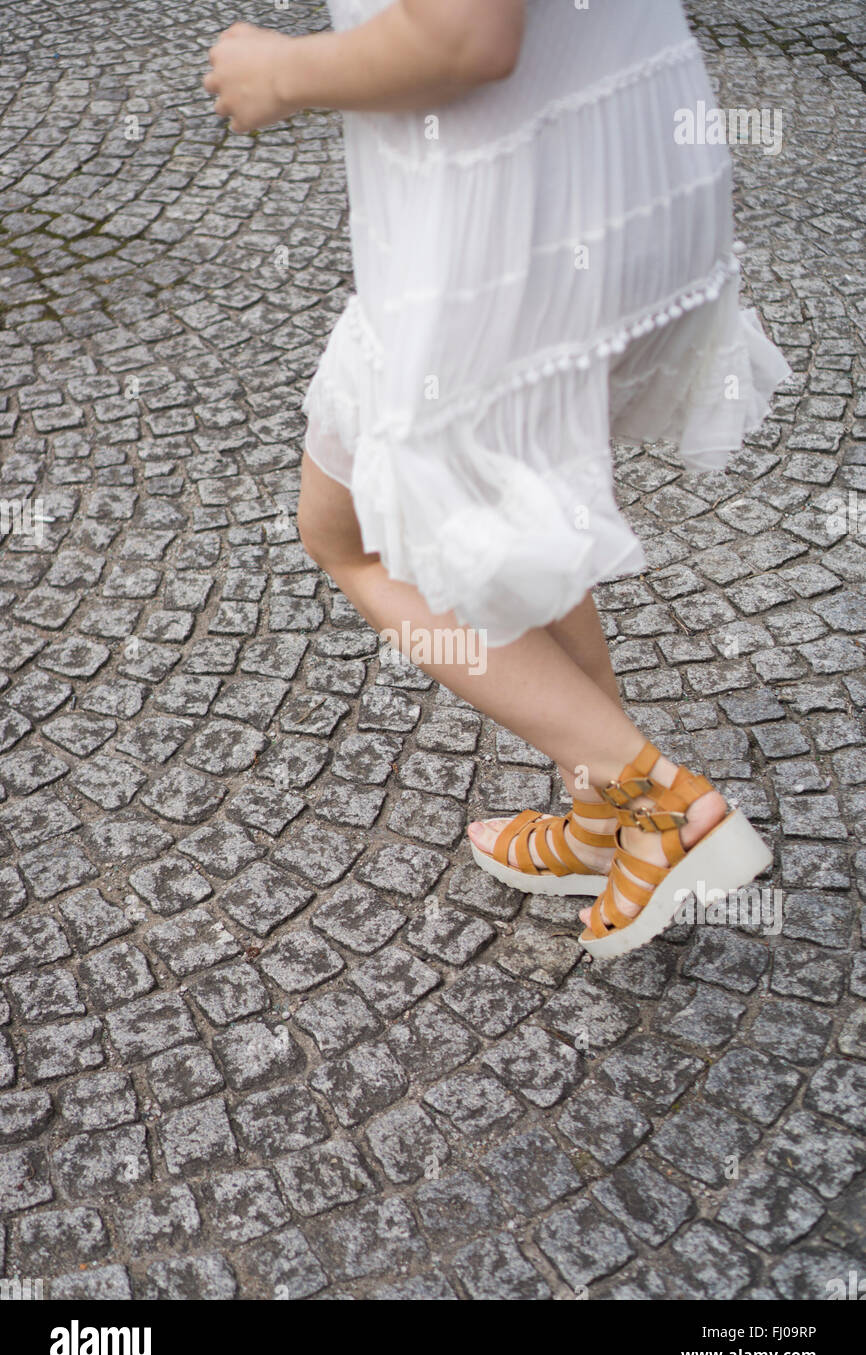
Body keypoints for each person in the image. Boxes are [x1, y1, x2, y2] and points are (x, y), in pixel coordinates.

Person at [203, 0, 790, 959]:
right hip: (620, 171)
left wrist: (281, 72)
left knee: (351, 536)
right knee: (507, 504)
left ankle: (660, 802)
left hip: (510, 230)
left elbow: (462, 36)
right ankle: (606, 818)